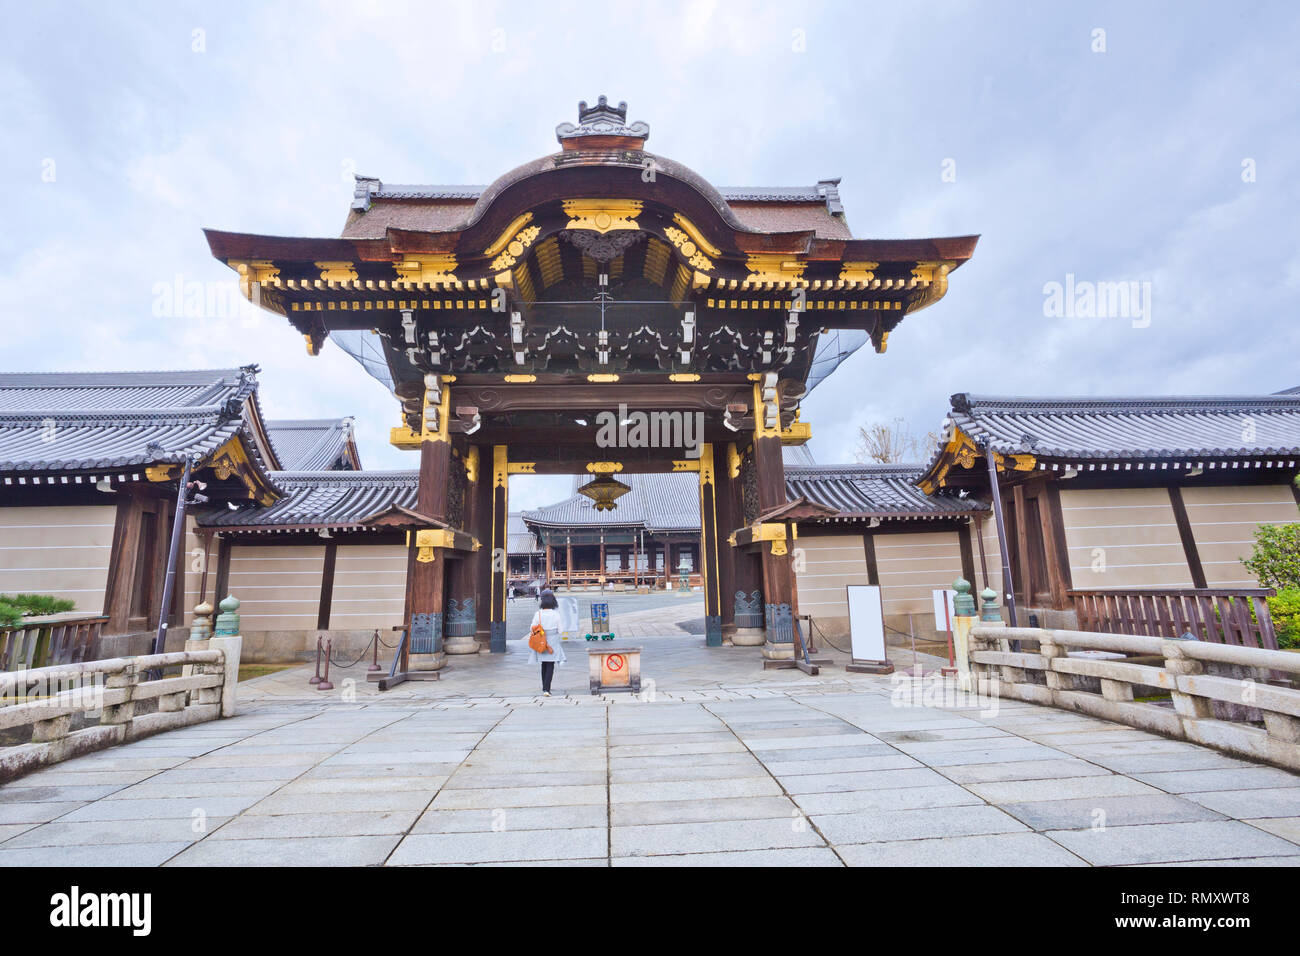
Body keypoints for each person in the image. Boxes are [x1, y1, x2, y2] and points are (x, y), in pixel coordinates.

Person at [527, 588, 566, 696]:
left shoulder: (538, 614)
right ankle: (547, 688)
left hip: (541, 641)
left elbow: (532, 628)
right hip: (552, 641)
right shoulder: (555, 614)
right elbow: (561, 630)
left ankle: (544, 687)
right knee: (550, 664)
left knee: (543, 664)